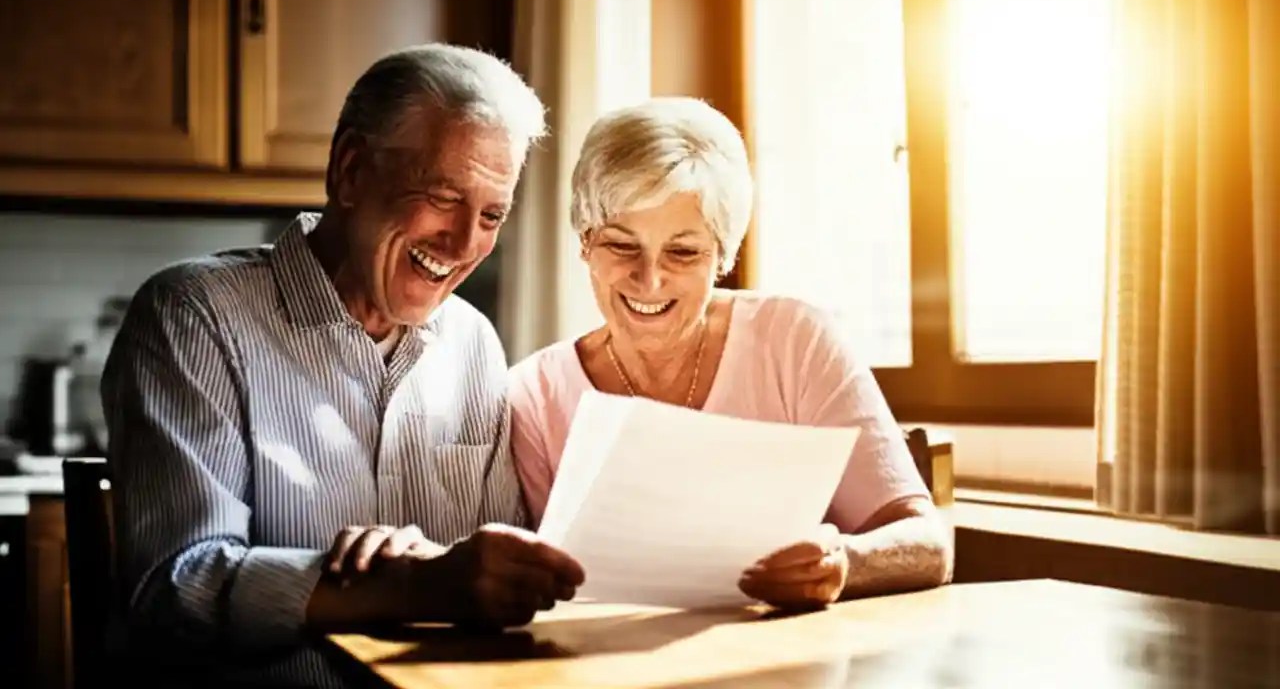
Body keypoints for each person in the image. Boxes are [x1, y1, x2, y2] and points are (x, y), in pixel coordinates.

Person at [103, 43, 584, 688]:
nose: (467, 243)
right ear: (351, 171)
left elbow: (489, 580)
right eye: (443, 196)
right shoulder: (195, 314)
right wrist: (406, 586)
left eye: (492, 214)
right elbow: (173, 593)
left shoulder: (473, 341)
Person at [508, 97, 953, 610]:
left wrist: (844, 564)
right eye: (620, 245)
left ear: (724, 256)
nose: (649, 278)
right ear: (585, 243)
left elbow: (928, 545)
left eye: (683, 251)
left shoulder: (795, 340)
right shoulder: (534, 394)